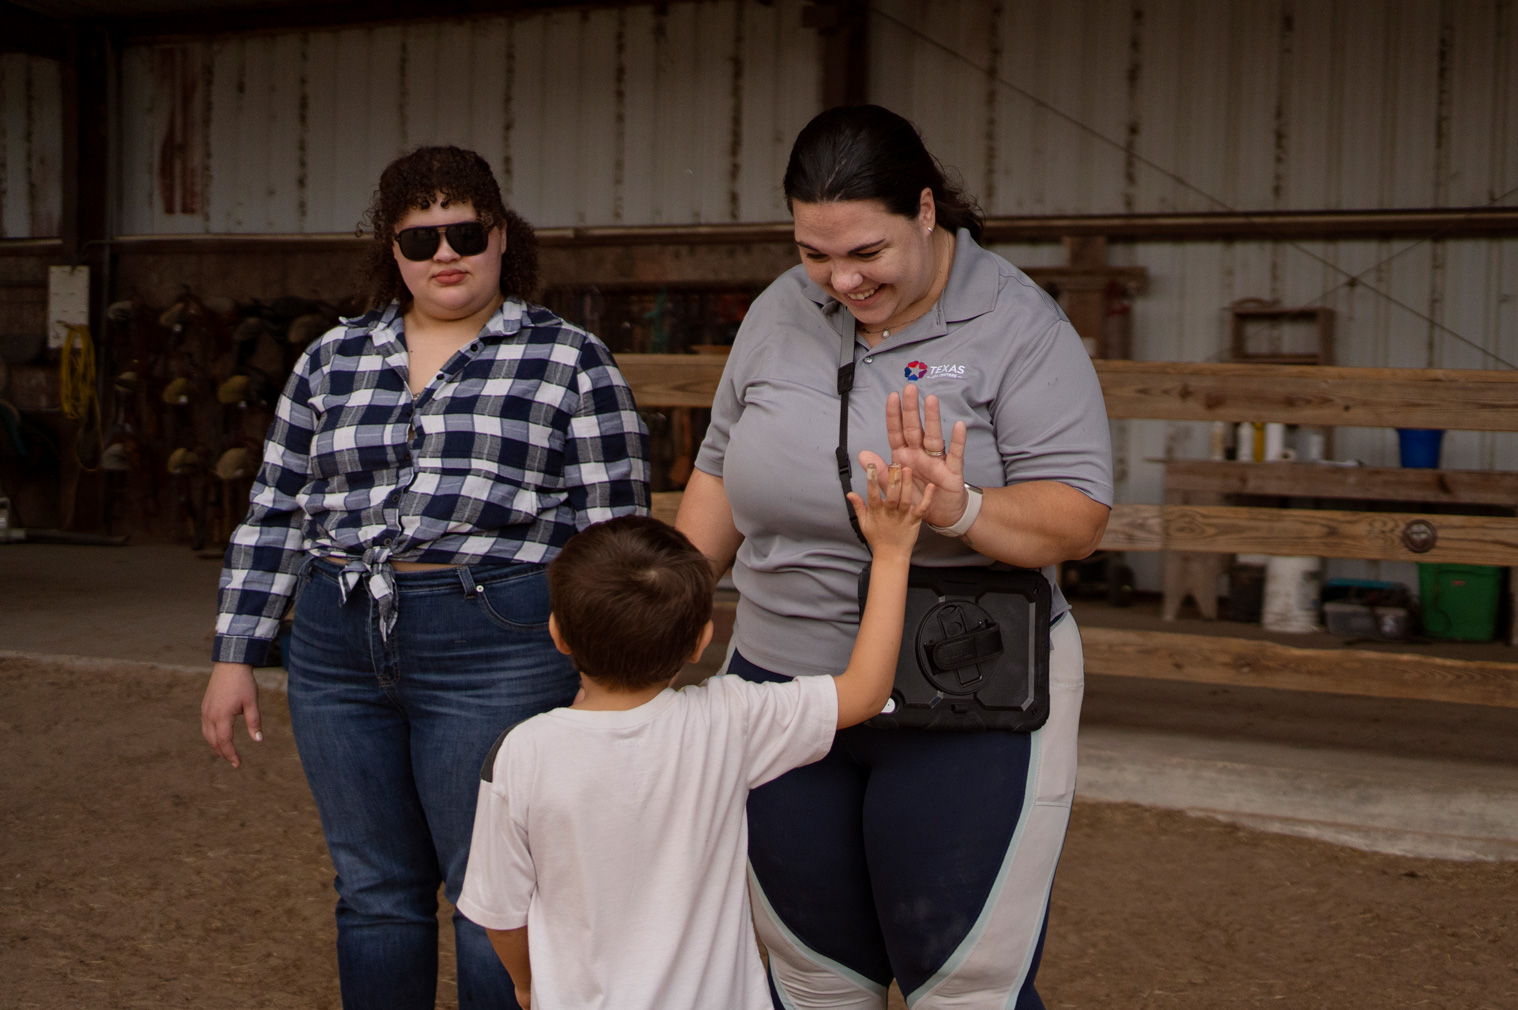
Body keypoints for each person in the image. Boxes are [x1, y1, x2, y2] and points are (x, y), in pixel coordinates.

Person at [675, 105, 1113, 1009]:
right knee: (811, 978)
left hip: (964, 692)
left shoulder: (1018, 322)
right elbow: (718, 468)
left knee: (962, 984)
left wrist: (964, 508)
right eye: (814, 253)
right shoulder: (779, 309)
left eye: (866, 253)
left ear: (924, 209)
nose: (841, 280)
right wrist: (663, 616)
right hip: (784, 689)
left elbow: (1076, 518)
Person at [200, 145, 649, 1010]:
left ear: (502, 237)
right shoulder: (331, 357)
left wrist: (611, 676)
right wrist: (234, 655)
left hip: (498, 643)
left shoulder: (570, 359)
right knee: (372, 890)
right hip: (334, 641)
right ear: (393, 251)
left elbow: (614, 536)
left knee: (492, 892)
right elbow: (277, 508)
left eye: (465, 233)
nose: (445, 254)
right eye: (420, 239)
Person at [459, 466, 932, 1010]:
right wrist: (892, 553)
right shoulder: (727, 720)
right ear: (701, 641)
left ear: (557, 632)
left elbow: (500, 914)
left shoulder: (522, 754)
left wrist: (527, 984)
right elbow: (866, 693)